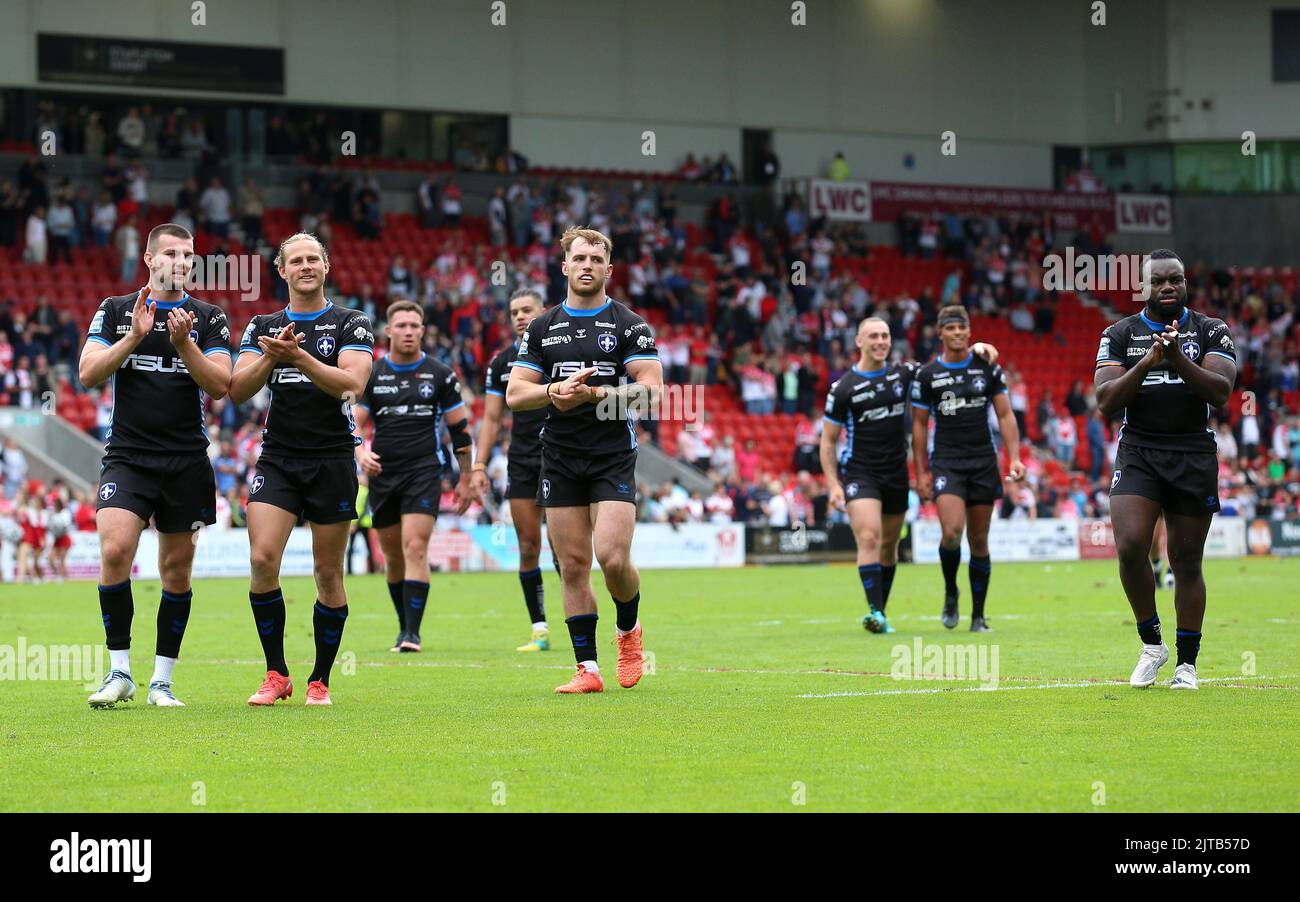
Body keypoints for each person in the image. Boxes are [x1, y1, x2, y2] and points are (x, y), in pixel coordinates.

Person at [77, 223, 233, 708]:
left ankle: (162, 681)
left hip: (186, 460)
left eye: (187, 255)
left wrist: (184, 344)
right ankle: (120, 671)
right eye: (170, 253)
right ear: (149, 259)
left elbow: (222, 384)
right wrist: (133, 339)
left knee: (176, 569)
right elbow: (86, 374)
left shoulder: (208, 317)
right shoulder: (117, 309)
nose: (181, 261)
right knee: (116, 550)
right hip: (127, 457)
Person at [506, 227, 662, 694]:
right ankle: (587, 669)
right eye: (580, 258)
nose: (587, 265)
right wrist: (555, 391)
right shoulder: (541, 327)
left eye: (597, 259)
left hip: (611, 455)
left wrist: (598, 395)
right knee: (572, 565)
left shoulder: (629, 325)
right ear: (565, 266)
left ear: (609, 269)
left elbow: (653, 392)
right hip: (558, 457)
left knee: (612, 557)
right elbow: (516, 394)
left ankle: (629, 632)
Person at [230, 232, 374, 707]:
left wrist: (301, 358)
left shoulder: (352, 323)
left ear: (326, 266)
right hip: (279, 460)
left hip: (332, 460)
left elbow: (351, 385)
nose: (306, 265)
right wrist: (273, 355)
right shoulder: (263, 325)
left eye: (314, 258)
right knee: (261, 559)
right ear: (283, 270)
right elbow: (236, 390)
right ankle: (276, 673)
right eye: (297, 260)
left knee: (327, 572)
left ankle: (320, 680)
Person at [1094, 249, 1236, 690]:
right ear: (1143, 287)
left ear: (1185, 283)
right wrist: (1149, 361)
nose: (1168, 287)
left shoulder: (1212, 330)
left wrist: (1178, 358)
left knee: (1186, 561)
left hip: (1193, 451)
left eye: (1175, 279)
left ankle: (1186, 664)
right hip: (1139, 449)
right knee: (1131, 545)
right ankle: (1152, 645)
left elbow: (1221, 391)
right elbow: (1106, 401)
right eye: (1158, 281)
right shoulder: (1119, 333)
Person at [822, 316, 998, 633]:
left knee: (889, 545)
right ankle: (876, 613)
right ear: (859, 341)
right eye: (873, 336)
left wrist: (975, 348)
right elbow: (828, 441)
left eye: (885, 335)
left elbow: (945, 366)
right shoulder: (843, 388)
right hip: (860, 472)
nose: (880, 341)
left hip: (895, 473)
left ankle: (881, 610)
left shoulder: (906, 374)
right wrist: (834, 485)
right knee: (869, 537)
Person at [353, 300, 474, 653]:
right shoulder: (373, 373)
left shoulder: (440, 374)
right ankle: (403, 624)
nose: (408, 331)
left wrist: (466, 477)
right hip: (383, 474)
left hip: (424, 471)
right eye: (401, 325)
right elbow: (356, 424)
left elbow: (461, 432)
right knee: (392, 556)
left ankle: (412, 634)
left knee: (415, 547)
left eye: (414, 326)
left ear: (423, 330)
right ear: (388, 330)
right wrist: (362, 453)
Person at [911, 305, 1024, 632]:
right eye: (951, 328)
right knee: (951, 532)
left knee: (979, 540)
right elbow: (918, 426)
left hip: (983, 461)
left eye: (963, 327)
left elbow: (1004, 415)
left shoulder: (987, 367)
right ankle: (950, 591)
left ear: (969, 331)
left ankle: (977, 616)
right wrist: (920, 473)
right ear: (940, 333)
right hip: (947, 461)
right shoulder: (928, 374)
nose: (958, 333)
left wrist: (1014, 457)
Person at [472, 289, 559, 653]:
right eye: (514, 312)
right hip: (522, 459)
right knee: (527, 545)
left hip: (561, 455)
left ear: (543, 313)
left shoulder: (561, 353)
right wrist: (478, 463)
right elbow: (492, 418)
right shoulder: (501, 363)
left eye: (527, 310)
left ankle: (580, 623)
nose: (520, 317)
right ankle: (539, 629)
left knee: (563, 550)